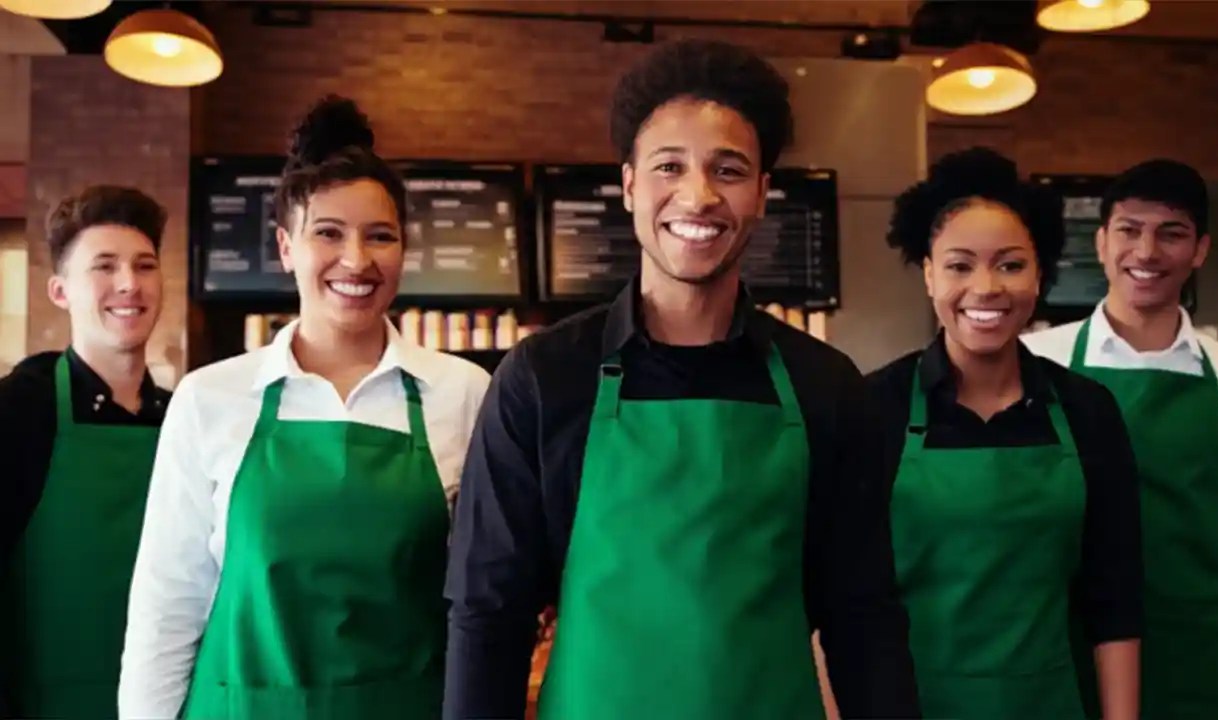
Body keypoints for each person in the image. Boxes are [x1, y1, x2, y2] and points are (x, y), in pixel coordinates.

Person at [444, 38, 919, 720]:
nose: (698, 195)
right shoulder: (545, 379)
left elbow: (863, 618)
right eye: (670, 165)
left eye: (728, 170)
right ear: (631, 183)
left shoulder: (826, 386)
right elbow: (488, 613)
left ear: (761, 193)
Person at [117, 96, 491, 720]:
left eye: (381, 236)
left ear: (405, 248)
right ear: (286, 247)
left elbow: (483, 600)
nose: (357, 260)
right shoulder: (210, 399)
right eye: (328, 234)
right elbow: (168, 605)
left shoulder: (462, 393)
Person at [866, 147, 1144, 720]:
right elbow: (838, 600)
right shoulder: (873, 408)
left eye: (1011, 264)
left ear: (1040, 274)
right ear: (927, 274)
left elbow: (1114, 601)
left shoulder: (1088, 411)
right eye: (959, 265)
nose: (986, 287)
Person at [1023, 159, 1218, 719]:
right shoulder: (1035, 365)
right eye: (1130, 230)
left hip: (1203, 668)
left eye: (1172, 233)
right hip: (1067, 661)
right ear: (1100, 241)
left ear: (1201, 249)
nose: (1146, 252)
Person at [0, 185, 170, 720]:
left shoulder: (187, 417)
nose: (129, 284)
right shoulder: (17, 411)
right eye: (104, 266)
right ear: (60, 291)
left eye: (145, 266)